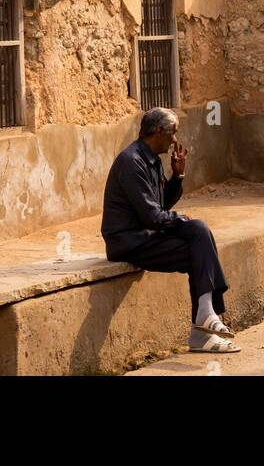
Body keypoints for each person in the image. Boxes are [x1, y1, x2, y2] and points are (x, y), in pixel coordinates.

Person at [101, 107, 240, 353]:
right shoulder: (131, 162)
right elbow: (154, 217)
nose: (175, 140)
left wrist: (178, 176)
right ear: (158, 131)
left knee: (199, 249)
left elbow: (160, 205)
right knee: (198, 231)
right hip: (128, 242)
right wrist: (180, 220)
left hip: (145, 237)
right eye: (173, 133)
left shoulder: (152, 160)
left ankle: (203, 325)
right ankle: (204, 322)